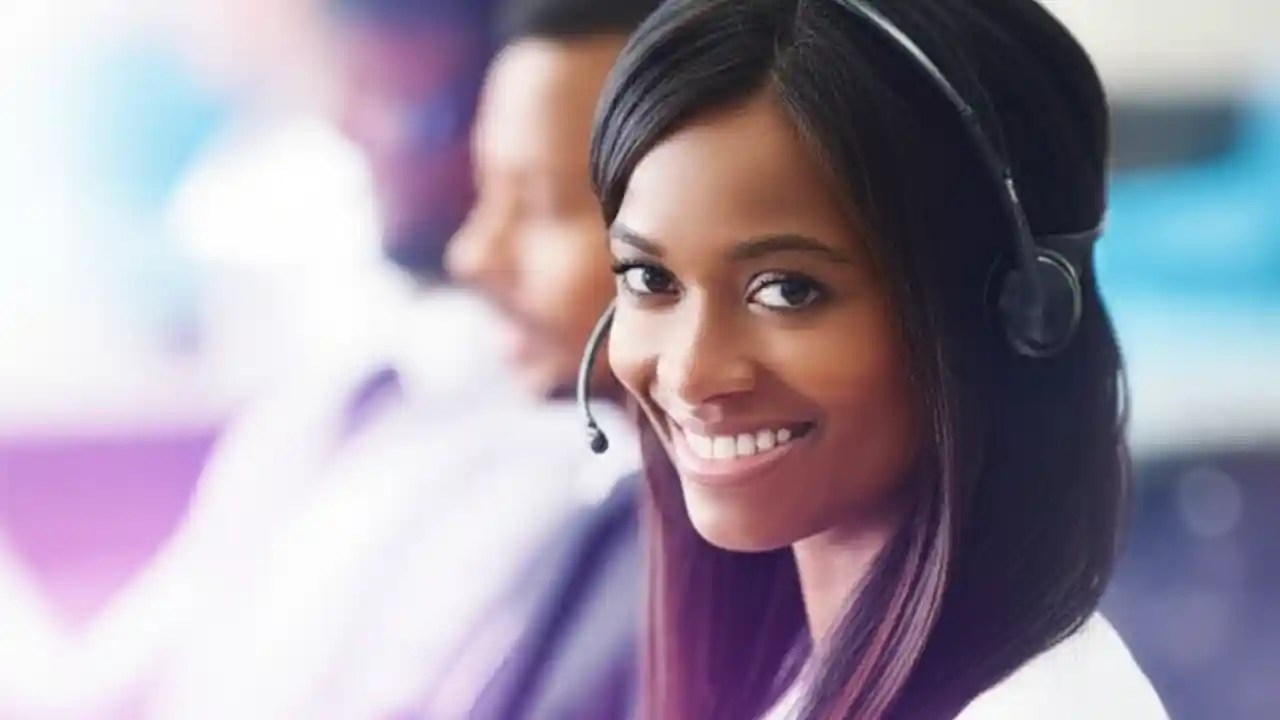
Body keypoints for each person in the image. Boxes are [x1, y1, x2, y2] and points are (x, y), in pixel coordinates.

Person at [32, 2, 639, 719]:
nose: (479, 253)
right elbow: (119, 676)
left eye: (408, 105)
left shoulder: (588, 478)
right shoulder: (361, 385)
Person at [583, 0, 1170, 718]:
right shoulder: (794, 674)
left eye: (788, 290)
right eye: (650, 279)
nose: (691, 374)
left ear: (1019, 312)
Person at [416, 0, 662, 716]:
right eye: (485, 191)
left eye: (545, 203)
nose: (470, 256)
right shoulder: (607, 523)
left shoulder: (779, 583)